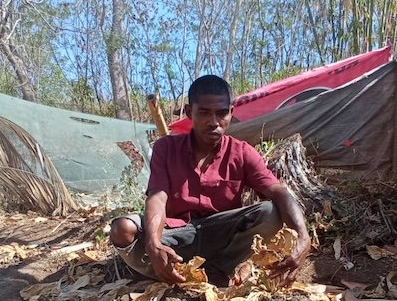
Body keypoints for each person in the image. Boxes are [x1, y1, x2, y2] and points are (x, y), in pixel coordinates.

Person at [110, 75, 311, 285]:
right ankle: (167, 269)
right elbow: (157, 198)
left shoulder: (242, 153)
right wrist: (153, 243)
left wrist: (303, 236)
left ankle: (219, 272)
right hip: (176, 233)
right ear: (190, 113)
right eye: (204, 113)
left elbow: (278, 191)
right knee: (122, 229)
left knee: (271, 212)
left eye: (222, 113)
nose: (214, 122)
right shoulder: (166, 148)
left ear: (231, 112)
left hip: (222, 237)